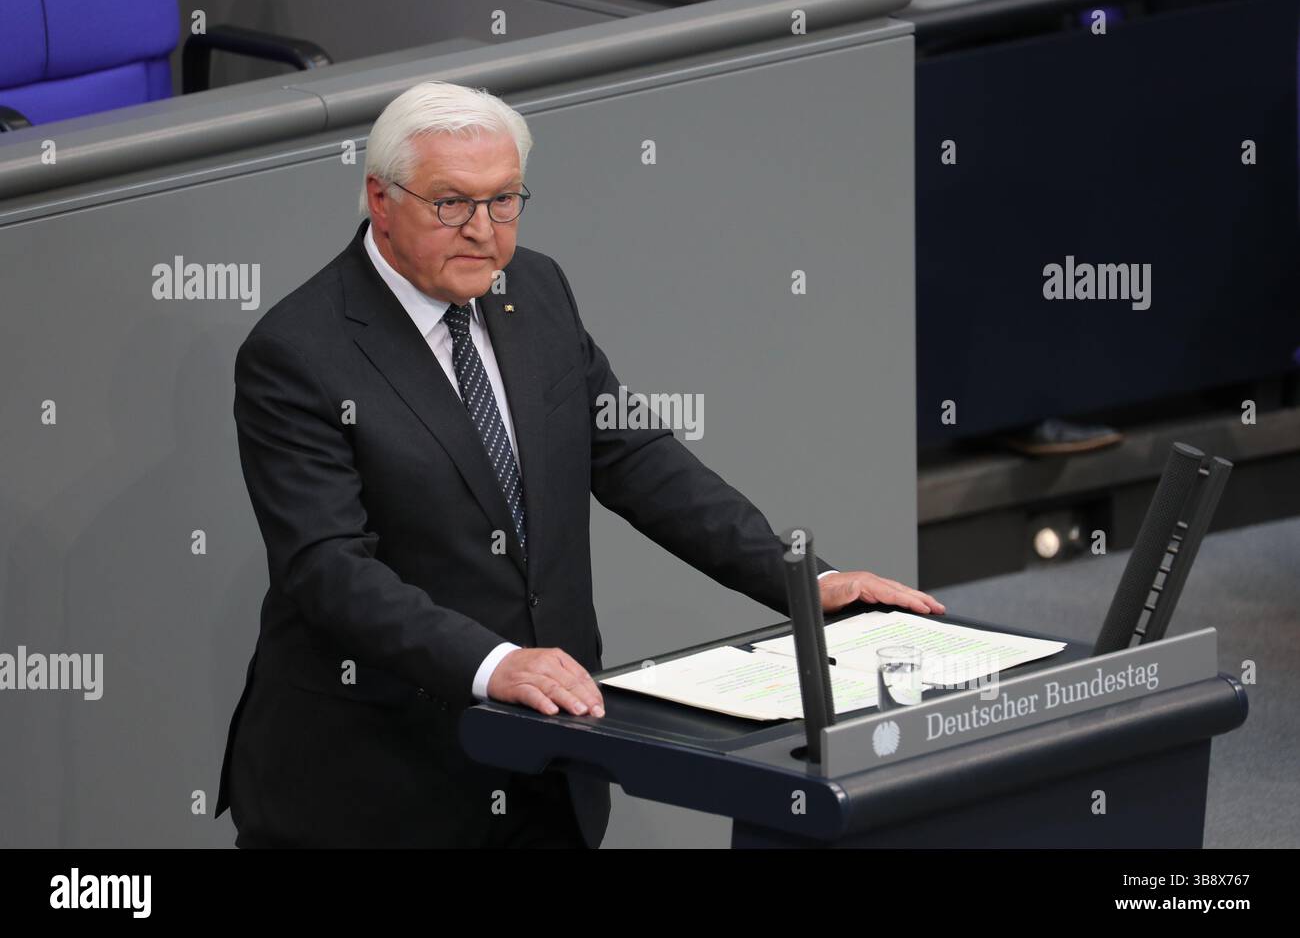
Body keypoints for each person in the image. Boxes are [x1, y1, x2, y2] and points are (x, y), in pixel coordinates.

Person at [214, 80, 945, 848]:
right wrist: (492, 664)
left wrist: (806, 584)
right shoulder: (298, 354)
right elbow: (328, 567)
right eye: (452, 203)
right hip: (374, 785)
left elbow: (631, 454)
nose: (483, 232)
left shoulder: (535, 289)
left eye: (504, 201)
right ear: (380, 198)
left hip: (547, 756)